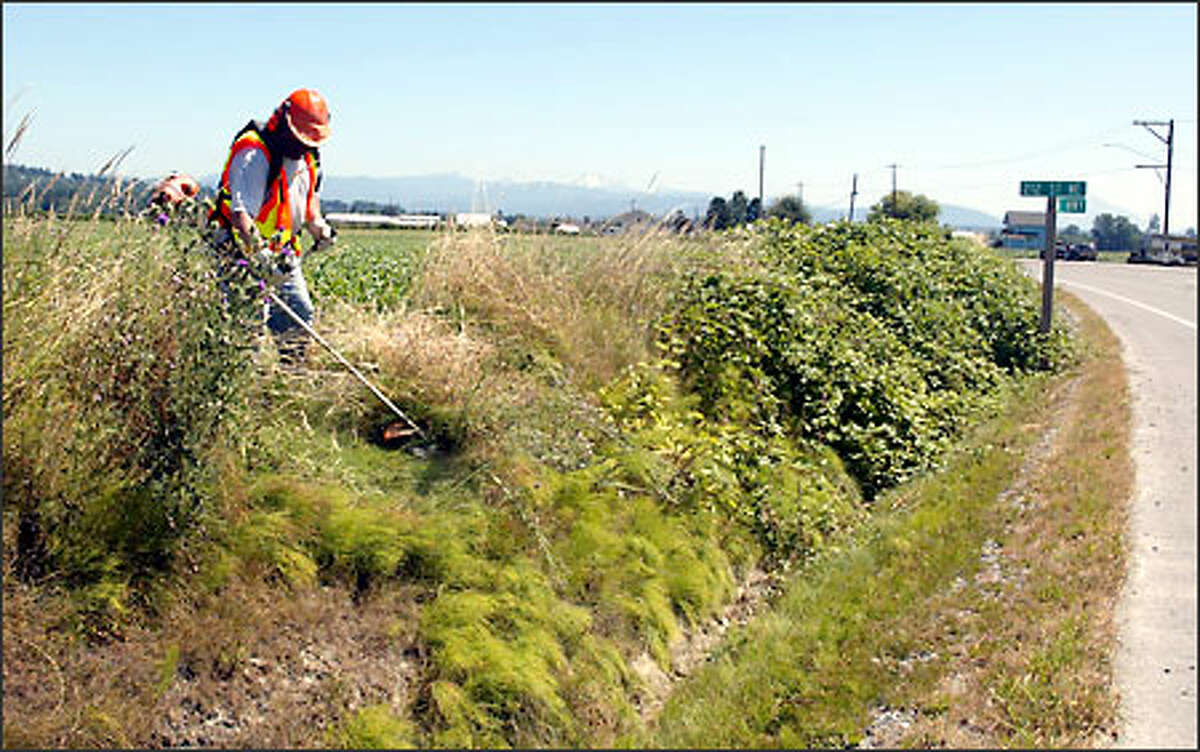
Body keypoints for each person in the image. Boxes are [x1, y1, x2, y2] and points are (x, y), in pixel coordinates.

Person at [209, 88, 338, 364]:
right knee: (247, 326)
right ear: (284, 125)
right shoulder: (255, 152)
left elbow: (309, 198)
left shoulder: (309, 155)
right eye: (302, 138)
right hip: (238, 253)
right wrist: (259, 257)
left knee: (299, 315)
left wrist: (318, 227)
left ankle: (292, 382)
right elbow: (241, 215)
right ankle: (238, 392)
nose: (305, 145)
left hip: (282, 254)